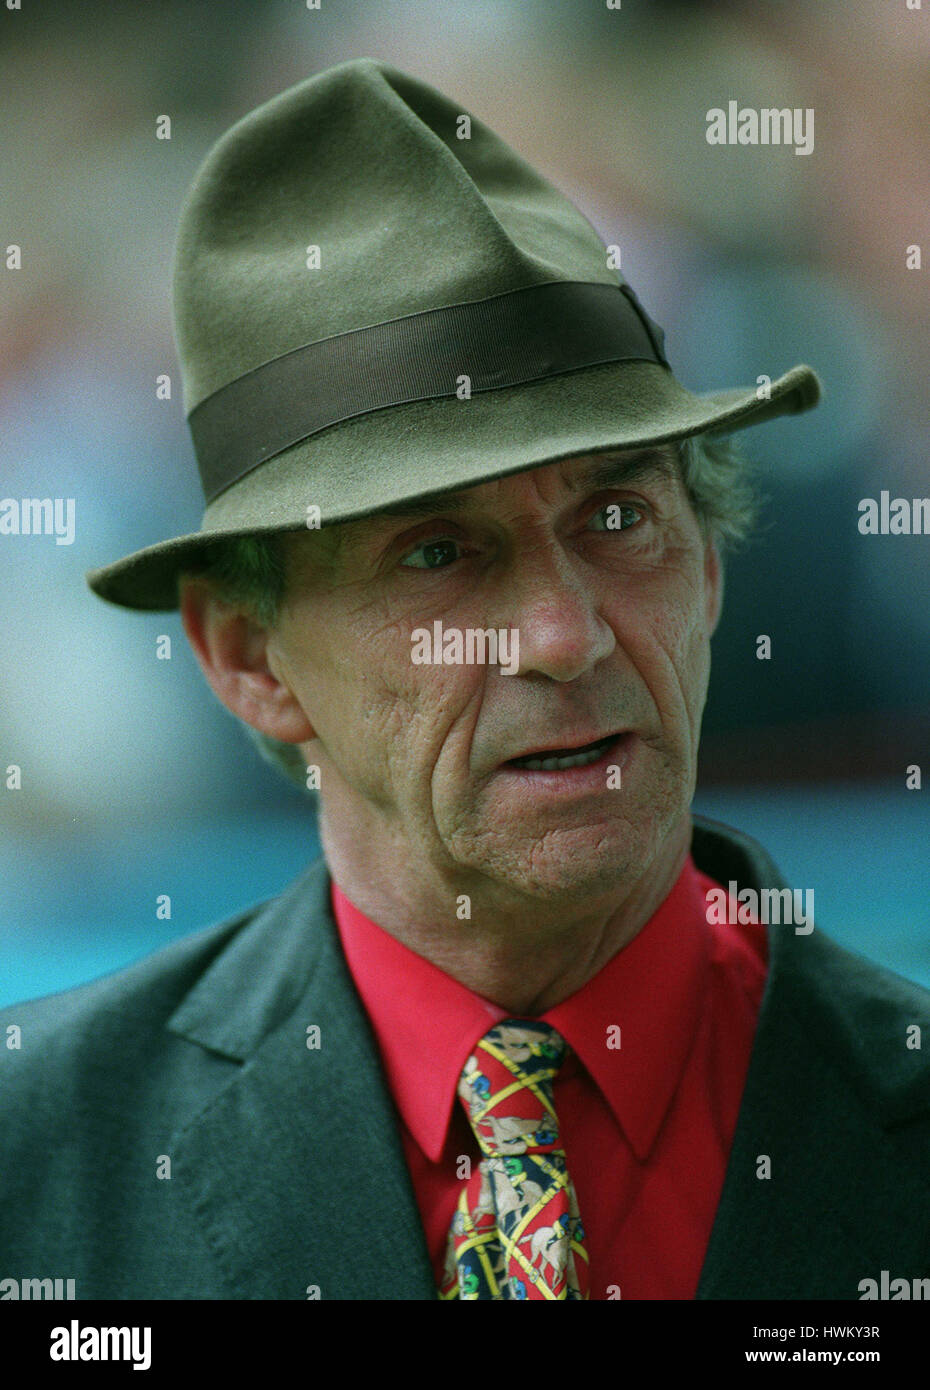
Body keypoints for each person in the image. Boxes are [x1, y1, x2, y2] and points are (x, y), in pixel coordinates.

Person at [2, 58, 927, 1302]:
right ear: (247, 658)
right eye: (437, 552)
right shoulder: (41, 1169)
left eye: (615, 515)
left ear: (708, 565)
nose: (563, 635)